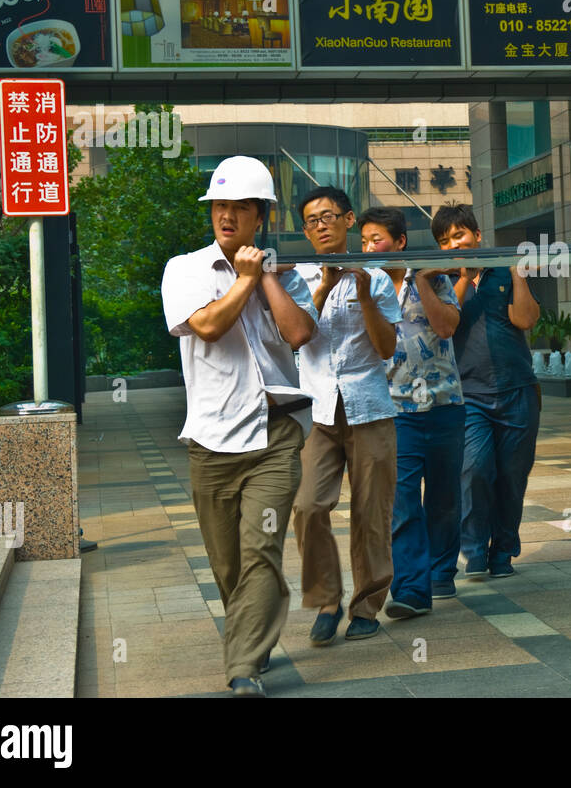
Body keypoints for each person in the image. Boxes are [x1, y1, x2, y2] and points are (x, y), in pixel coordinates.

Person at [160, 156, 317, 698]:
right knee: (229, 563)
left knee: (261, 550)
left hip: (275, 437)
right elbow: (206, 325)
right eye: (219, 206)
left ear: (261, 216)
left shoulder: (281, 275)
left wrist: (266, 278)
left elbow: (299, 335)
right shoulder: (184, 269)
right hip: (211, 440)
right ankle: (253, 633)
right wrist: (244, 281)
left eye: (240, 207)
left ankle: (242, 667)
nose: (226, 215)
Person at [293, 187, 401, 644]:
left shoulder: (375, 277)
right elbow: (294, 338)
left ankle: (367, 606)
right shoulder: (297, 277)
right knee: (308, 506)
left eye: (329, 216)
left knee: (371, 512)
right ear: (305, 229)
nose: (321, 225)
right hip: (318, 409)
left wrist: (363, 292)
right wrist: (323, 287)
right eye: (312, 220)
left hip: (370, 407)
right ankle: (326, 600)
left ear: (349, 219)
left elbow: (386, 348)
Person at [359, 206, 466, 613]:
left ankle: (441, 572)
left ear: (400, 242)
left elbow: (446, 327)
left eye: (377, 240)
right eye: (364, 240)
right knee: (402, 503)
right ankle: (410, 591)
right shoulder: (364, 287)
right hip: (396, 411)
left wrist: (422, 281)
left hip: (445, 405)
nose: (369, 247)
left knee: (443, 498)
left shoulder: (433, 279)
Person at [434, 203, 541, 580]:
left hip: (518, 389)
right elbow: (444, 324)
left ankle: (503, 553)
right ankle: (474, 548)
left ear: (477, 236)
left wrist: (518, 276)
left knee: (514, 477)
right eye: (445, 241)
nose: (454, 244)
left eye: (459, 235)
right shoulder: (440, 284)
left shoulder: (502, 271)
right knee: (475, 470)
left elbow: (525, 319)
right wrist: (462, 278)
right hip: (469, 394)